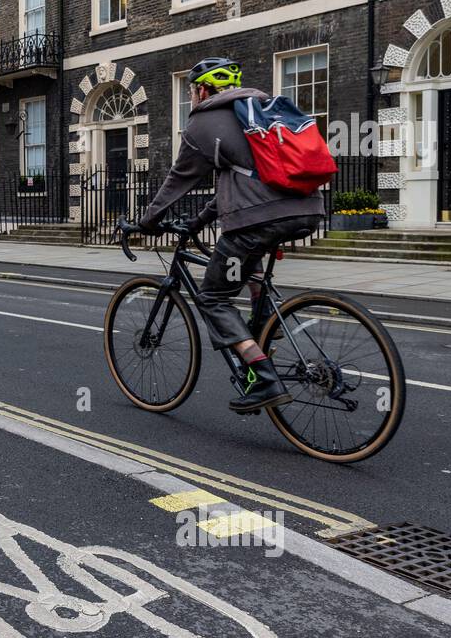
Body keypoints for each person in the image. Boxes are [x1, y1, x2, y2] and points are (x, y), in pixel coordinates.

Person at [135, 57, 325, 414]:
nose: (192, 97)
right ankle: (265, 323)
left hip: (259, 220)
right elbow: (242, 181)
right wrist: (197, 221)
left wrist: (147, 221)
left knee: (212, 297)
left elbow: (178, 180)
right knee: (247, 266)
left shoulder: (203, 121)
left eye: (191, 91)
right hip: (308, 208)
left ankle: (264, 375)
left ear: (203, 90)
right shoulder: (260, 110)